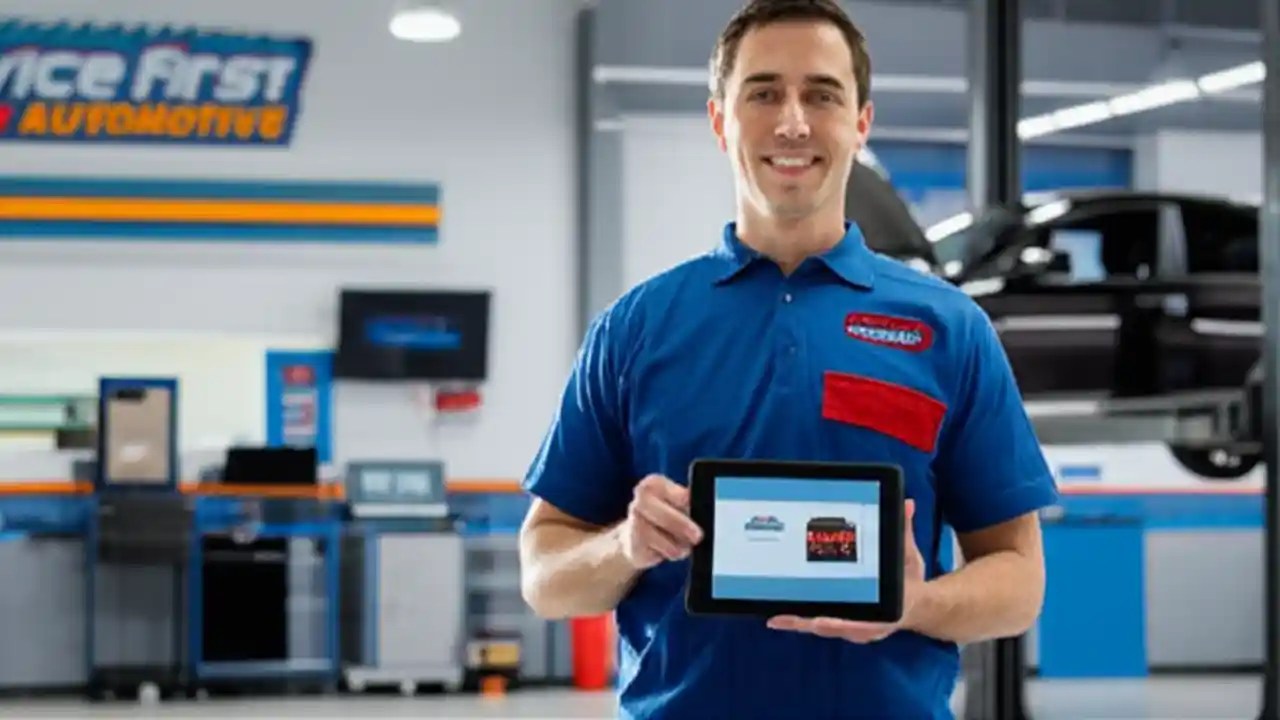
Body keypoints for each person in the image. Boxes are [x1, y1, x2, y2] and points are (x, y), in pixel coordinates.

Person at [518, 0, 1059, 717]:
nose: (793, 121)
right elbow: (544, 573)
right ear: (719, 120)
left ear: (861, 122)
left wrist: (917, 603)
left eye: (822, 94)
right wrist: (626, 545)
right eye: (764, 92)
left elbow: (1019, 581)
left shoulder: (949, 328)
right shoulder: (634, 330)